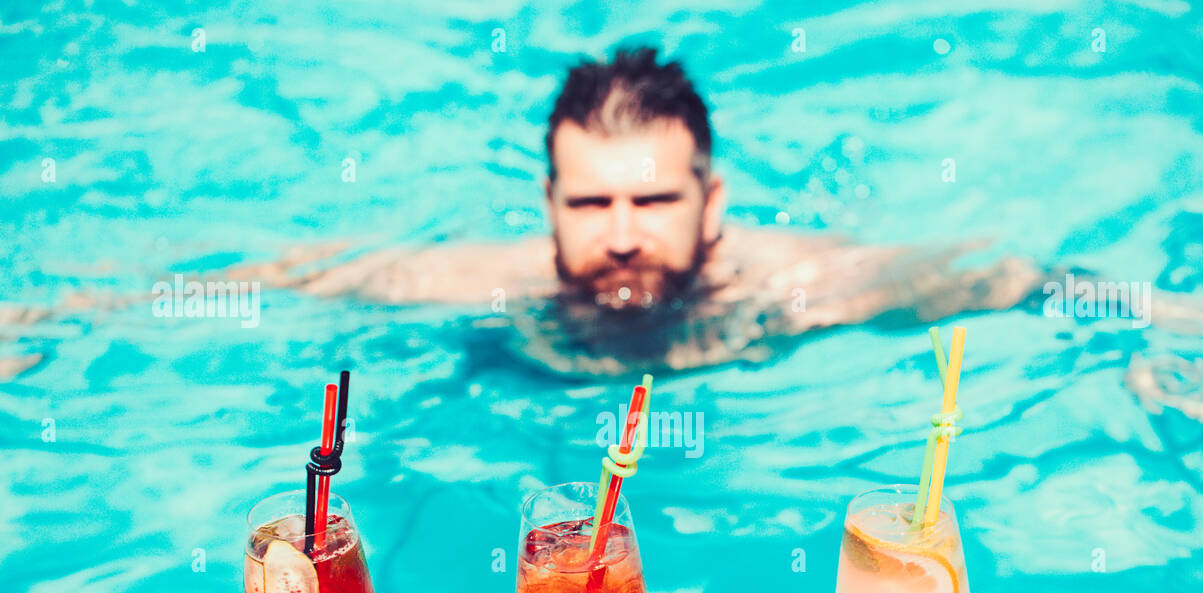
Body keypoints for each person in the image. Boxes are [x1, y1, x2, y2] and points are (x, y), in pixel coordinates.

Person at [236, 47, 1046, 373]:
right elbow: (291, 277)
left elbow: (1008, 276)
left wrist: (1167, 330)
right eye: (591, 204)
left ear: (712, 203)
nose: (622, 236)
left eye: (654, 200)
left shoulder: (803, 283)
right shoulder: (481, 282)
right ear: (549, 208)